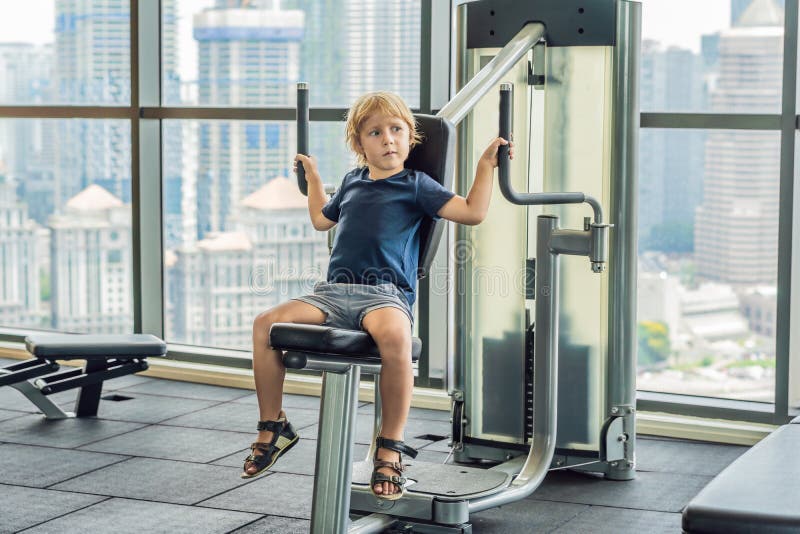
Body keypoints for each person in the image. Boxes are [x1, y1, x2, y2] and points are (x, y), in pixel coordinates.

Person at [243, 91, 512, 500]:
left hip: (384, 297)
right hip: (333, 293)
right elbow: (320, 219)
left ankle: (390, 448)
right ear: (359, 144)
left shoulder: (418, 185)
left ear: (410, 139)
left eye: (396, 130)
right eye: (375, 132)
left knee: (396, 338)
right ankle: (273, 426)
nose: (388, 139)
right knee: (266, 324)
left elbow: (473, 212)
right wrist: (314, 180)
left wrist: (484, 166)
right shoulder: (352, 182)